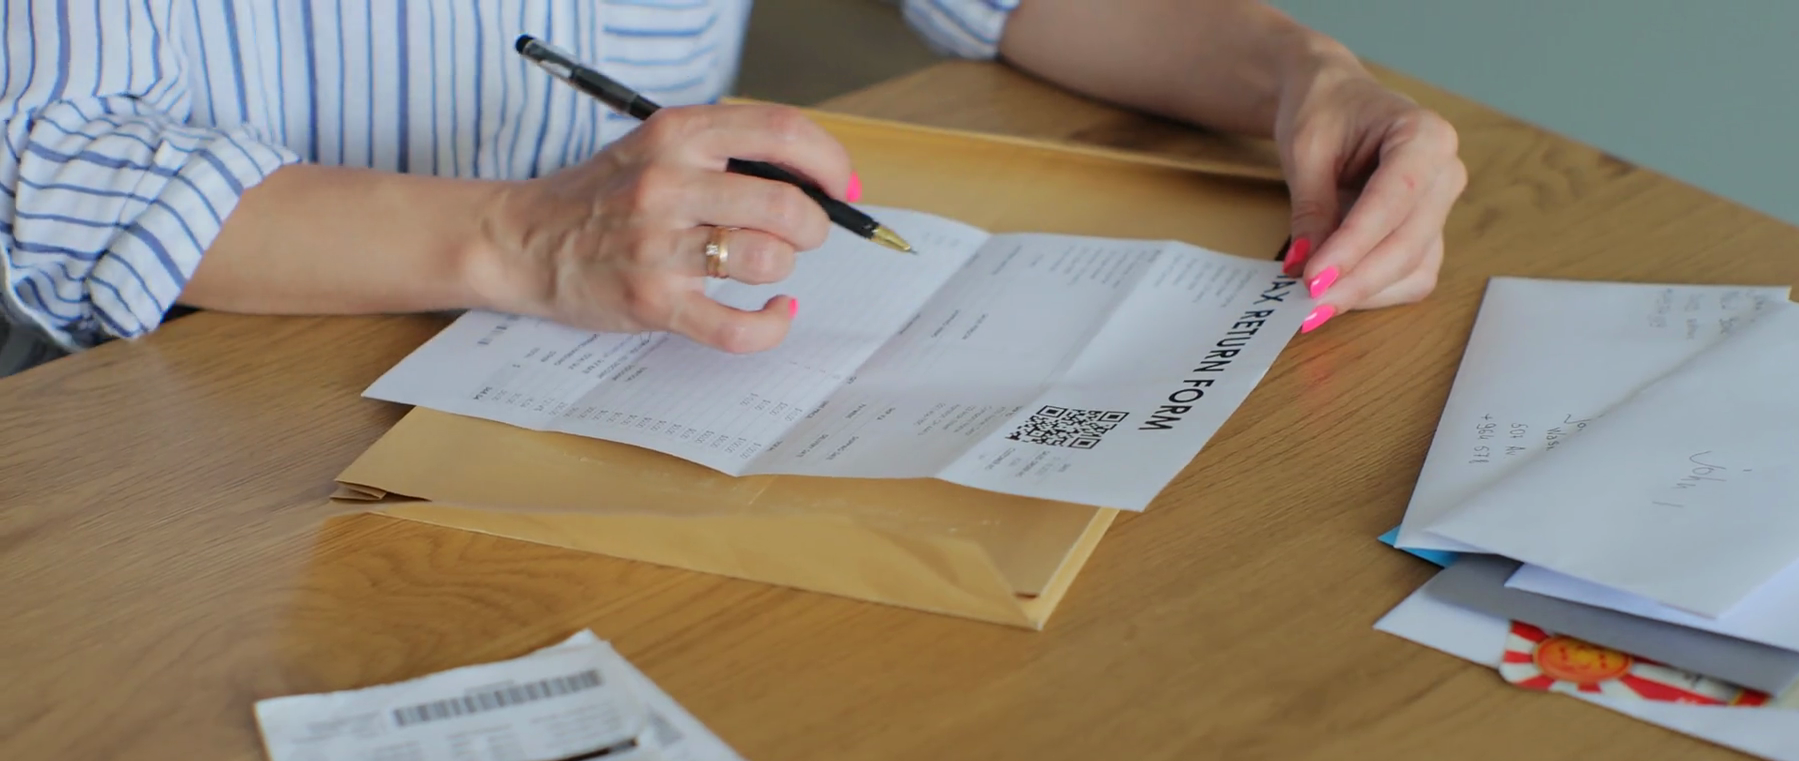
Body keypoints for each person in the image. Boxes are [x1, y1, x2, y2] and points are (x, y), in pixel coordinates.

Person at [0, 0, 1465, 374]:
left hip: (617, 372)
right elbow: (49, 168)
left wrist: (1301, 80)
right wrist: (524, 237)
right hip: (198, 400)